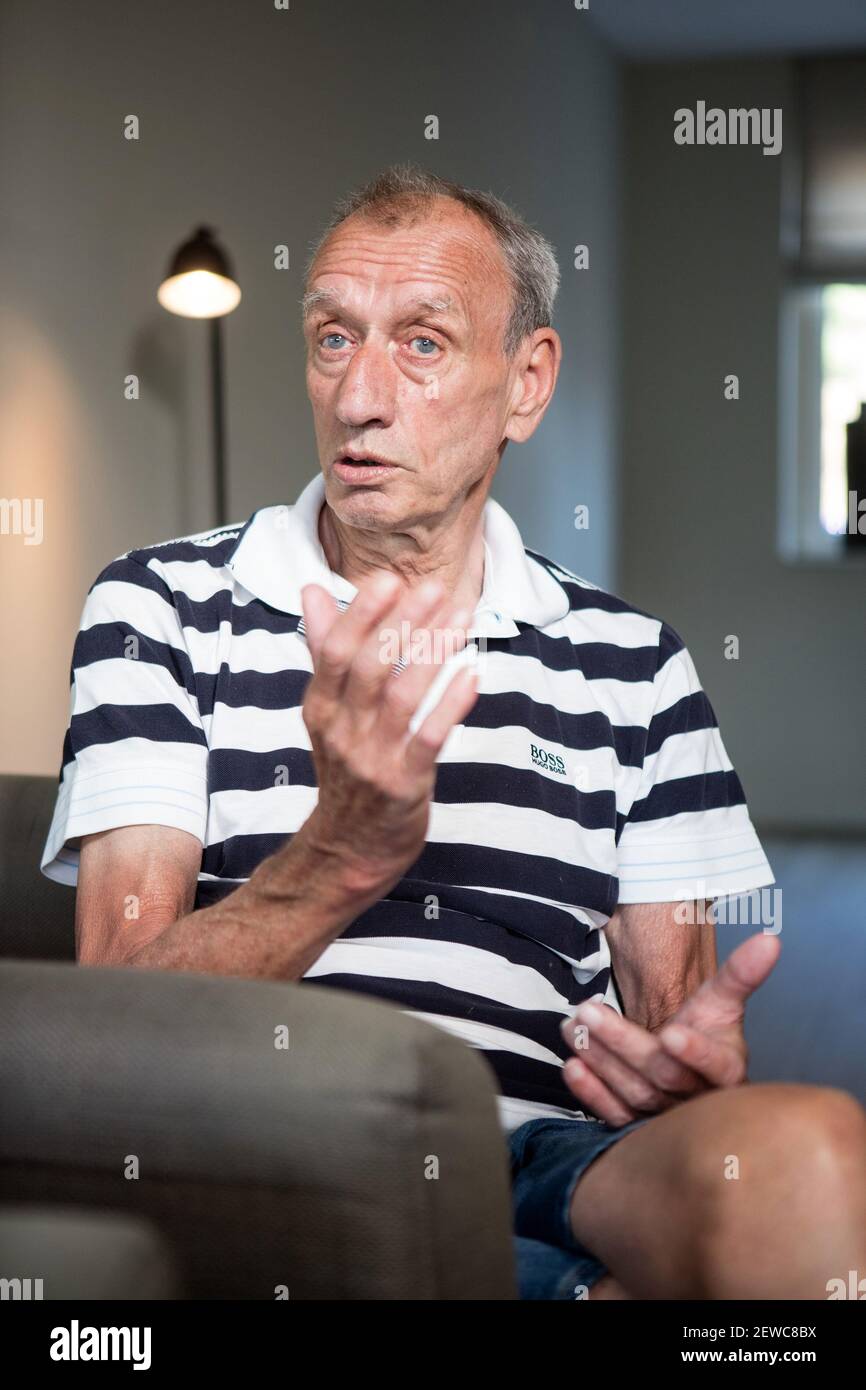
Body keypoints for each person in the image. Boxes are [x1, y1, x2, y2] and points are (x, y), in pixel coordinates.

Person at [42, 164, 866, 1299]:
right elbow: (109, 1029)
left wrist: (686, 1081)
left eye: (421, 343)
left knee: (808, 1161)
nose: (359, 397)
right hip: (268, 1129)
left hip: (539, 1146)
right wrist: (338, 854)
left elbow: (672, 1034)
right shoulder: (159, 607)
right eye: (334, 338)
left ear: (525, 385)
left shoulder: (636, 665)